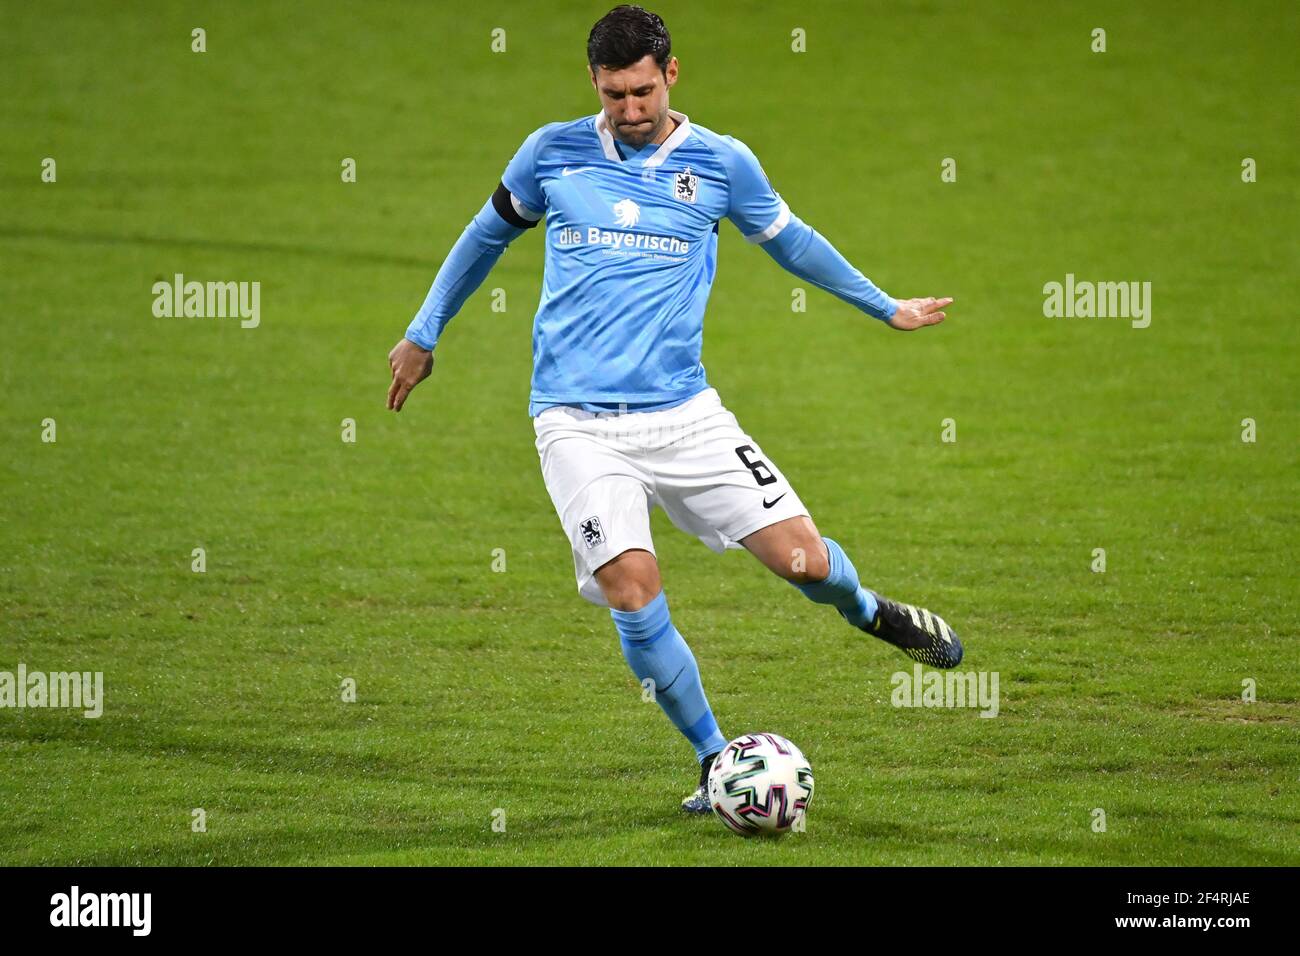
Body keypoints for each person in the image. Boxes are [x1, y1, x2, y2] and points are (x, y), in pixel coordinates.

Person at [387, 4, 964, 814]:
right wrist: (424, 331)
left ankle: (869, 611)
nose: (630, 110)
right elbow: (483, 237)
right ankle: (712, 760)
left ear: (672, 75)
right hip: (576, 423)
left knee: (806, 564)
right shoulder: (549, 153)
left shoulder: (723, 164)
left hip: (686, 416)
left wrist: (885, 307)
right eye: (615, 94)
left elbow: (792, 242)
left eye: (644, 92)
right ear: (594, 82)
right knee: (631, 587)